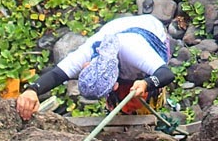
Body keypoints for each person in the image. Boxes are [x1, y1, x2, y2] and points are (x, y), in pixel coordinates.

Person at [16, 13, 173, 120]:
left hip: (150, 32)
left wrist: (146, 83)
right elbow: (57, 75)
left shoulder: (136, 50)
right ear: (86, 66)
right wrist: (32, 90)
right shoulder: (85, 54)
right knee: (120, 102)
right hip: (116, 28)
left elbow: (166, 74)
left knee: (141, 96)